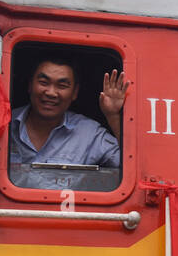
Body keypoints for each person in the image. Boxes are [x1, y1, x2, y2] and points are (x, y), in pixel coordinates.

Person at [9, 57, 128, 187]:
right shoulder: (4, 122)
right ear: (30, 85)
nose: (51, 93)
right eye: (43, 82)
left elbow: (130, 165)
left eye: (62, 86)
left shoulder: (89, 133)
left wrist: (113, 116)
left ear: (74, 93)